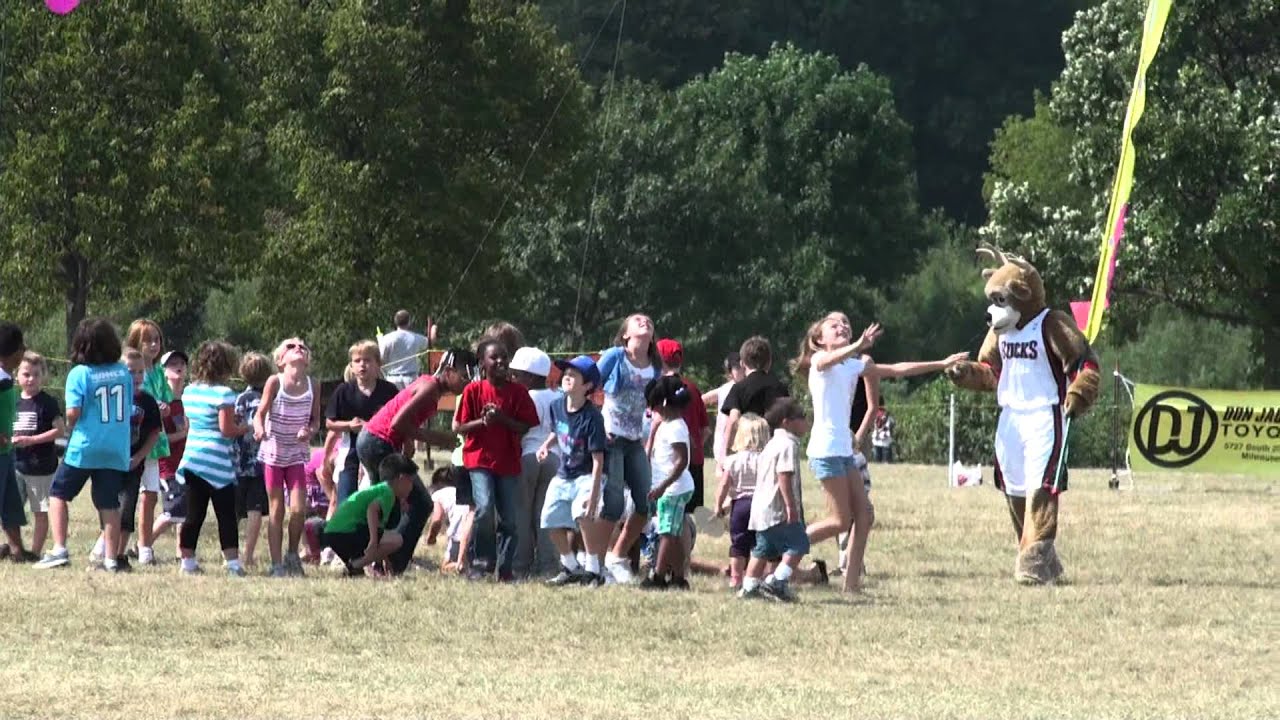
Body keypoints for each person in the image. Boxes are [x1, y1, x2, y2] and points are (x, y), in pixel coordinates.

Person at [793, 311, 967, 592]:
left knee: (864, 516)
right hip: (825, 451)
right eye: (834, 325)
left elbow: (898, 369)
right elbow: (828, 360)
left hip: (844, 453)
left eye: (846, 324)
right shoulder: (818, 361)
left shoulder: (852, 365)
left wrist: (941, 363)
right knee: (839, 521)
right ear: (818, 339)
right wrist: (859, 345)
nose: (842, 326)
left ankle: (851, 586)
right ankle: (784, 557)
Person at [358, 348, 475, 574]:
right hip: (378, 442)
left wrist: (408, 441)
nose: (467, 383)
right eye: (464, 377)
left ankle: (376, 561)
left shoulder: (430, 386)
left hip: (372, 440)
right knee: (421, 503)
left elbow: (403, 419)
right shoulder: (431, 388)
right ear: (449, 371)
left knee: (387, 506)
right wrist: (439, 438)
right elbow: (397, 424)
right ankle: (394, 561)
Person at [34, 319, 131, 571]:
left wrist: (68, 423)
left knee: (58, 493)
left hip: (85, 445)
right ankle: (111, 559)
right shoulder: (123, 372)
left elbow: (73, 413)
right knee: (109, 503)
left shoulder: (79, 373)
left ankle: (59, 549)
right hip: (116, 447)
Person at [453, 338, 538, 581]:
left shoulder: (518, 392)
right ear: (482, 363)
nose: (500, 362)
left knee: (509, 518)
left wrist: (502, 419)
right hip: (479, 459)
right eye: (494, 358)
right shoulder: (473, 390)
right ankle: (481, 562)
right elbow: (460, 427)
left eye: (504, 357)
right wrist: (483, 422)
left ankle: (506, 567)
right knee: (484, 508)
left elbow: (524, 426)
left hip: (508, 461)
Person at [596, 313, 661, 584]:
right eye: (637, 320)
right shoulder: (615, 356)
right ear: (625, 334)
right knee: (612, 505)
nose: (644, 321)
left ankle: (617, 555)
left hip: (635, 441)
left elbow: (656, 401)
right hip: (612, 439)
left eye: (648, 320)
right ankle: (596, 565)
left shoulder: (655, 364)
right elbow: (589, 385)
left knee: (645, 502)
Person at [536, 355, 611, 587]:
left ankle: (594, 570)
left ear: (587, 385)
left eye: (573, 375)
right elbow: (559, 431)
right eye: (566, 373)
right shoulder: (556, 405)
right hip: (564, 473)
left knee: (583, 515)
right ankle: (570, 566)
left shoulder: (593, 418)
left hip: (588, 475)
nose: (566, 377)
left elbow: (599, 460)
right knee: (549, 520)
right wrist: (546, 445)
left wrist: (594, 493)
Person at [177, 341, 250, 577]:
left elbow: (189, 425)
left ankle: (187, 561)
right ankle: (232, 563)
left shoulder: (189, 391)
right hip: (217, 461)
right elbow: (226, 429)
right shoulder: (224, 394)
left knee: (193, 514)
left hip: (192, 458)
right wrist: (244, 427)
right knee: (226, 514)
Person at [254, 337, 322, 578]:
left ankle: (292, 555)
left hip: (296, 454)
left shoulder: (314, 384)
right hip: (273, 453)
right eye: (291, 346)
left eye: (302, 346)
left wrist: (310, 431)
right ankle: (276, 564)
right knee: (276, 509)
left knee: (298, 509)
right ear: (280, 361)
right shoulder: (275, 382)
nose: (298, 348)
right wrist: (259, 429)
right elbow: (259, 413)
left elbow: (315, 421)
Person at [91, 349, 161, 571]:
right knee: (108, 507)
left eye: (140, 372)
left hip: (132, 466)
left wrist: (139, 456)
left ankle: (120, 555)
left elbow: (153, 433)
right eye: (131, 371)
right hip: (109, 464)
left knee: (127, 508)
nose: (137, 376)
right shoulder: (110, 398)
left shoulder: (148, 402)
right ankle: (108, 553)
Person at [740, 398, 810, 602]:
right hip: (778, 508)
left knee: (762, 549)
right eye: (801, 418)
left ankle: (749, 586)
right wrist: (790, 506)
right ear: (786, 422)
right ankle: (777, 581)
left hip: (762, 509)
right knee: (799, 544)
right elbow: (784, 476)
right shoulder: (788, 444)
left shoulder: (771, 444)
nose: (805, 422)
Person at [639, 375, 695, 591]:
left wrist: (663, 486)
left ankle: (659, 576)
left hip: (673, 489)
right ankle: (679, 577)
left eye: (653, 406)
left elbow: (682, 461)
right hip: (670, 488)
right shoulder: (667, 424)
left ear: (663, 404)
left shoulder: (675, 427)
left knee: (666, 534)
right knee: (673, 531)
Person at [325, 340, 398, 504]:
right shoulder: (344, 391)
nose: (362, 365)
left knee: (379, 501)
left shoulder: (389, 391)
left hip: (381, 451)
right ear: (351, 366)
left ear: (378, 364)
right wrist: (349, 425)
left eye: (367, 360)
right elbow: (330, 423)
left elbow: (400, 420)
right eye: (357, 361)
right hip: (351, 449)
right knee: (346, 500)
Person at [321, 453, 417, 577]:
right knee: (397, 540)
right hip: (345, 533)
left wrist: (386, 560)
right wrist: (373, 541)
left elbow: (379, 528)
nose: (412, 487)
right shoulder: (388, 493)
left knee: (386, 538)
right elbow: (372, 509)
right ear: (402, 478)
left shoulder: (381, 489)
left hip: (334, 533)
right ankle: (354, 565)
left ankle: (355, 567)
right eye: (411, 481)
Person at [509, 346, 559, 577]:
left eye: (516, 374)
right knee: (545, 515)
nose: (512, 378)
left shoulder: (524, 397)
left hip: (528, 457)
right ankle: (548, 566)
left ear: (528, 377)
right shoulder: (559, 396)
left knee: (522, 513)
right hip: (554, 458)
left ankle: (521, 566)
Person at [124, 319, 170, 557]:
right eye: (148, 340)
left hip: (154, 442)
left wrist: (166, 408)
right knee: (127, 497)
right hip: (134, 443)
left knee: (151, 494)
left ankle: (145, 547)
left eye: (157, 339)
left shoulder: (160, 372)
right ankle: (108, 544)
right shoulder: (127, 372)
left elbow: (168, 399)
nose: (153, 344)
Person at [12, 352, 64, 560]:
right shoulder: (14, 402)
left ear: (43, 376)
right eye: (26, 374)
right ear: (17, 375)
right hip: (17, 464)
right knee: (12, 509)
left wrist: (32, 440)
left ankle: (34, 552)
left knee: (40, 510)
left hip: (41, 467)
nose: (30, 378)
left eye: (35, 374)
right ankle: (15, 548)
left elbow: (59, 430)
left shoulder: (48, 403)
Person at [713, 413, 770, 590]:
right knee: (759, 543)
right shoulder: (766, 459)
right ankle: (754, 577)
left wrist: (718, 505)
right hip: (761, 505)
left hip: (740, 507)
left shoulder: (732, 461)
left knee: (738, 543)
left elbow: (723, 485)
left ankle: (736, 578)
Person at [717, 336, 789, 459]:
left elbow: (733, 421)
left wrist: (724, 457)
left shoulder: (738, 388)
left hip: (747, 453)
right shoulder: (780, 387)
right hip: (774, 452)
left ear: (742, 363)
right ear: (769, 362)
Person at [0, 323, 34, 562]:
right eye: (21, 347)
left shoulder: (7, 378)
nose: (24, 351)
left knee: (12, 503)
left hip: (6, 451)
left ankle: (17, 550)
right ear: (11, 352)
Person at [702, 351, 745, 469]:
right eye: (737, 367)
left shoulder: (748, 389)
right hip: (722, 442)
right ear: (730, 371)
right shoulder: (724, 389)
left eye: (742, 367)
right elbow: (702, 400)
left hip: (741, 444)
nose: (740, 370)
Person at [426, 466, 470, 572]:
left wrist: (431, 537)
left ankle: (461, 566)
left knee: (445, 567)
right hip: (473, 530)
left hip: (458, 534)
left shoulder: (439, 494)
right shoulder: (464, 491)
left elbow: (437, 520)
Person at [380, 311, 435, 391]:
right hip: (411, 379)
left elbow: (382, 360)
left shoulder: (386, 339)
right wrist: (433, 329)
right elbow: (430, 343)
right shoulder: (416, 338)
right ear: (409, 321)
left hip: (392, 379)